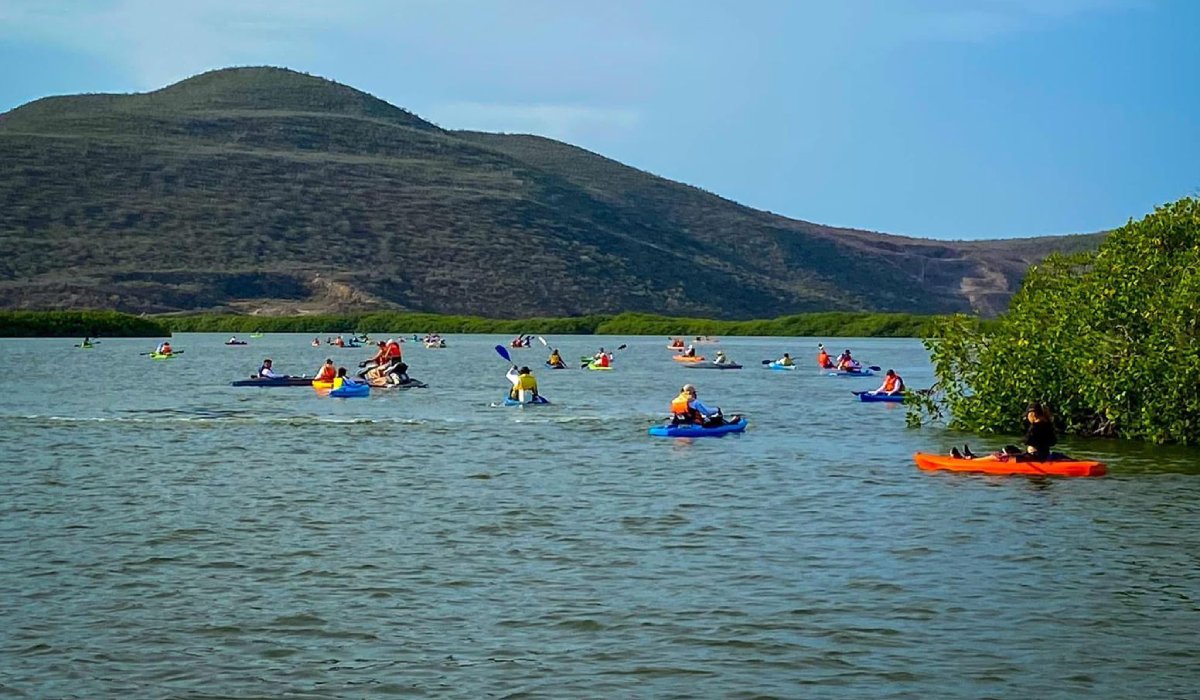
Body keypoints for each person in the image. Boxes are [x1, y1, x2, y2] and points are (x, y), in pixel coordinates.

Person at [952, 402, 1060, 462]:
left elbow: (1026, 440)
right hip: (1043, 456)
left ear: (1032, 414)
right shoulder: (1048, 424)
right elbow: (1052, 442)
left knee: (998, 456)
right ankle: (974, 457)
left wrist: (1025, 440)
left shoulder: (1035, 427)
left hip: (1033, 458)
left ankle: (970, 461)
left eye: (1027, 415)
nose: (1027, 418)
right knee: (1009, 450)